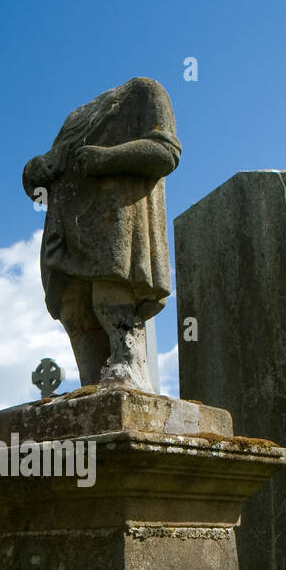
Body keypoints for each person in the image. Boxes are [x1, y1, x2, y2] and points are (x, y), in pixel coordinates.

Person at [23, 76, 181, 389]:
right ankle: (91, 381)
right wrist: (34, 170)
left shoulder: (144, 92)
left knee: (110, 296)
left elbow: (166, 153)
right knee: (72, 307)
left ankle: (127, 365)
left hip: (115, 222)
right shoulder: (74, 119)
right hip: (67, 227)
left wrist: (108, 158)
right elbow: (48, 168)